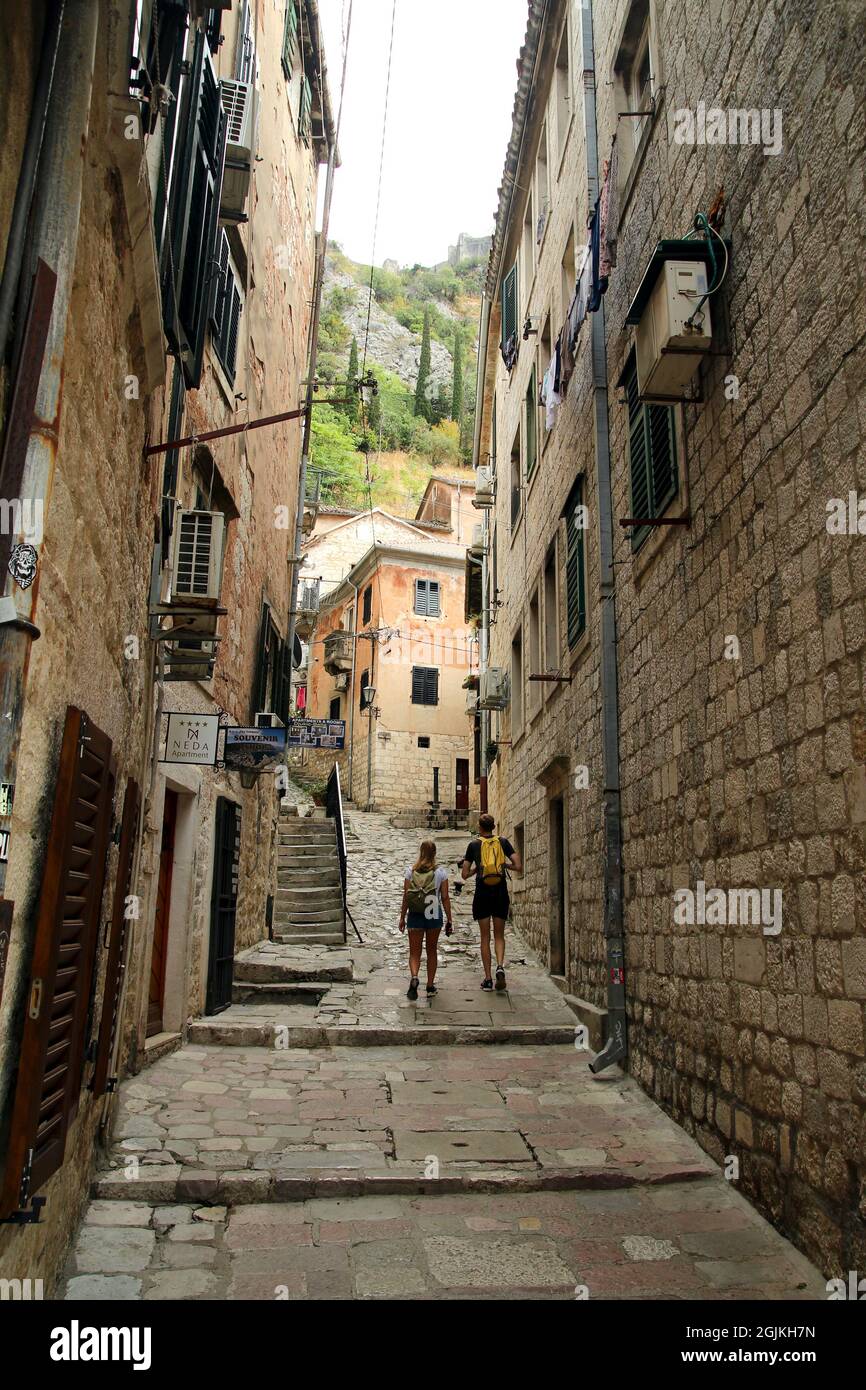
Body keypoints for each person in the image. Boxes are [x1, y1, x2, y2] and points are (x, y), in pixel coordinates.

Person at [461, 813, 522, 991]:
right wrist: (504, 866)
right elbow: (518, 866)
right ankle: (500, 966)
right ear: (493, 827)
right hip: (500, 892)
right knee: (499, 936)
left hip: (482, 893)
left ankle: (488, 979)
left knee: (485, 937)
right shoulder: (503, 842)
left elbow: (464, 874)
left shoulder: (473, 845)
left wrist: (476, 870)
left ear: (480, 828)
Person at [398, 839, 452, 1000]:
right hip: (433, 910)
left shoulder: (410, 871)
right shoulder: (441, 873)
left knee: (414, 952)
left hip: (415, 913)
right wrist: (449, 918)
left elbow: (406, 897)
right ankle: (429, 986)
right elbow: (445, 897)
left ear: (420, 852)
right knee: (431, 950)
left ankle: (414, 977)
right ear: (434, 853)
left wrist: (402, 917)